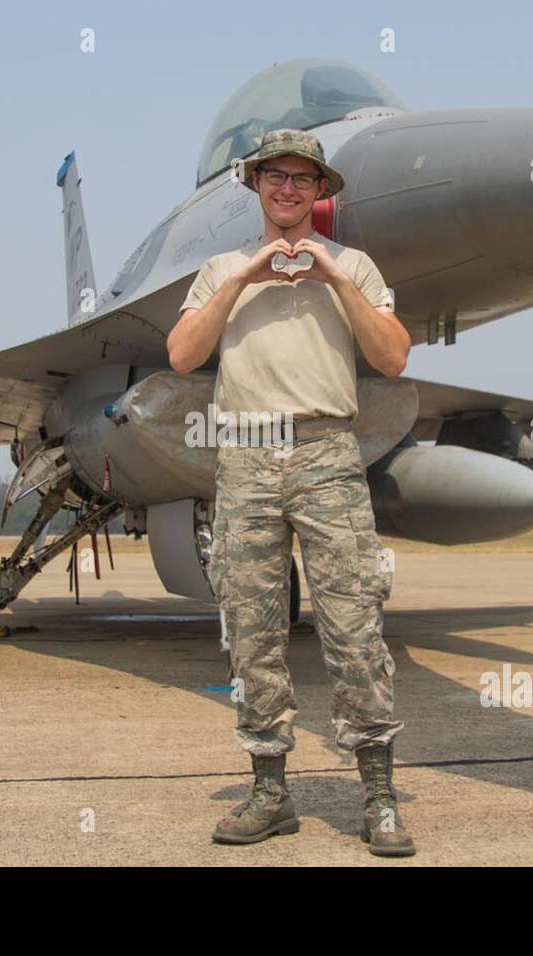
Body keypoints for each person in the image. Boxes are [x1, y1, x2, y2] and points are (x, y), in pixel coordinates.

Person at [168, 128, 415, 856]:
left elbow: (393, 356)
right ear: (255, 185)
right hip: (245, 451)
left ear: (320, 191)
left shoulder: (355, 266)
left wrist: (331, 278)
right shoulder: (219, 268)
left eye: (302, 179)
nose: (287, 189)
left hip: (326, 451)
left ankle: (378, 796)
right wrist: (246, 277)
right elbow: (183, 355)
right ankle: (270, 791)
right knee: (251, 629)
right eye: (274, 176)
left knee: (353, 625)